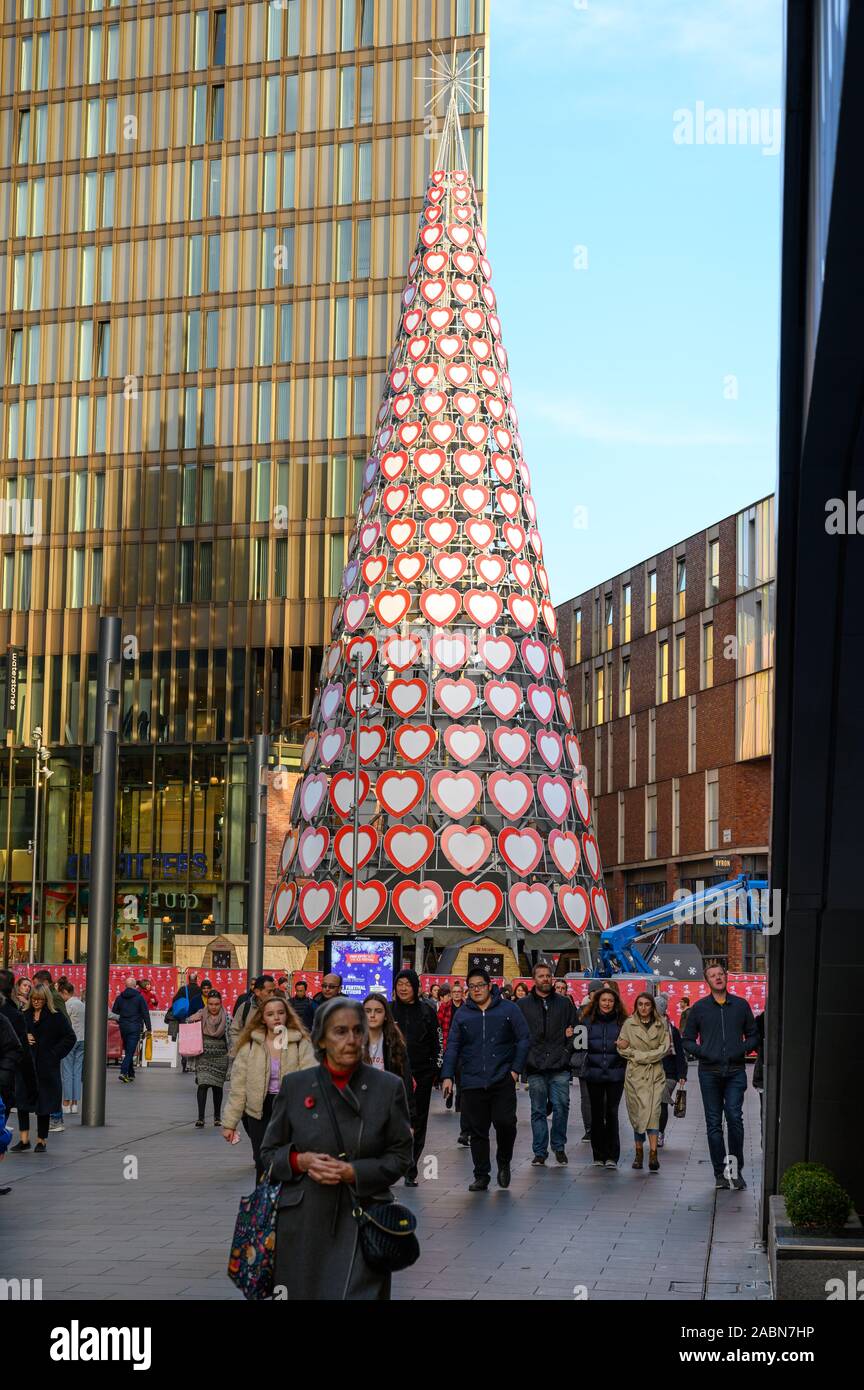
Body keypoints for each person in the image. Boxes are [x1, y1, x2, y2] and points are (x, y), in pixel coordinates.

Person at [259, 996, 413, 1301]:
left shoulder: (387, 1087)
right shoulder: (296, 1086)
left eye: (358, 1031)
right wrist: (299, 1160)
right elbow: (268, 1154)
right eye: (340, 1031)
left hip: (363, 1220)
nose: (352, 1040)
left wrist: (354, 1171)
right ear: (321, 1039)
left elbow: (401, 1156)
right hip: (303, 1223)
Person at [441, 966, 530, 1191]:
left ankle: (504, 1161)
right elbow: (452, 1045)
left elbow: (524, 1039)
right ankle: (481, 1174)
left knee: (505, 1123)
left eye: (480, 985)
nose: (476, 990)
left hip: (502, 1078)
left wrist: (515, 1070)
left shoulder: (508, 1009)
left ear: (490, 986)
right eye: (472, 987)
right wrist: (447, 1076)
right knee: (477, 1130)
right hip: (471, 1080)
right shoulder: (463, 1014)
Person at [682, 961, 758, 1191]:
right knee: (714, 1124)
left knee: (735, 1118)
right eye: (712, 975)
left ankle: (735, 1171)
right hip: (709, 1073)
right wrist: (705, 1052)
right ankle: (720, 1174)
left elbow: (754, 1036)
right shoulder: (700, 1008)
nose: (717, 978)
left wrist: (740, 1049)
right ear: (707, 981)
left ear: (726, 977)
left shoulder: (740, 1005)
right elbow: (686, 1040)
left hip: (735, 1071)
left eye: (720, 974)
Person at [223, 994, 315, 1181]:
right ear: (263, 1018)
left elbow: (311, 1080)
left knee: (287, 1160)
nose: (276, 1017)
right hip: (259, 1110)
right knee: (262, 1161)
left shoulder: (300, 1043)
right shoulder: (250, 1045)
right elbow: (238, 1087)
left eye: (281, 1013)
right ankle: (262, 1206)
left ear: (287, 1016)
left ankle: (286, 1204)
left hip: (290, 1110)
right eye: (271, 1014)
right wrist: (229, 1123)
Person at [518, 962, 578, 1166]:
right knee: (538, 1109)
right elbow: (518, 1035)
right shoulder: (523, 1005)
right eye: (541, 976)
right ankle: (540, 1151)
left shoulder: (564, 1003)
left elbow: (575, 1030)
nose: (545, 979)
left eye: (548, 975)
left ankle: (559, 1146)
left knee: (561, 1106)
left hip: (559, 1065)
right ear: (534, 979)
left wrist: (566, 1052)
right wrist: (525, 1059)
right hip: (535, 1065)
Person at [391, 969, 442, 1186]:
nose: (403, 988)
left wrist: (435, 1072)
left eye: (407, 984)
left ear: (415, 987)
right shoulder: (388, 1010)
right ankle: (391, 1164)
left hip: (421, 1075)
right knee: (391, 1119)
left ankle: (411, 1168)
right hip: (391, 1074)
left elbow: (436, 1043)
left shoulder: (427, 1011)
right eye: (399, 984)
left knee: (417, 1120)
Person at [12, 985, 75, 1153]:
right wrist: (24, 1038)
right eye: (34, 998)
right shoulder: (23, 1016)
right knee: (22, 1102)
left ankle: (42, 1140)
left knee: (44, 1104)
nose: (36, 1002)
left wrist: (54, 1054)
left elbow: (70, 1038)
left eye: (40, 999)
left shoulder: (56, 1017)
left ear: (46, 999)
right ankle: (23, 1139)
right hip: (26, 1065)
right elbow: (12, 1037)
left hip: (46, 1067)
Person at [616, 993, 671, 1173]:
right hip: (635, 1076)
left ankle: (653, 1154)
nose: (644, 1008)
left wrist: (638, 1055)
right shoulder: (628, 1024)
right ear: (636, 1006)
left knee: (654, 1113)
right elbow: (620, 1047)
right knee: (638, 1115)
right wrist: (636, 1054)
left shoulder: (661, 1024)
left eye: (647, 1004)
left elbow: (664, 1048)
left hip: (655, 1074)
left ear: (652, 1006)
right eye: (640, 1004)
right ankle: (639, 1153)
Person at [582, 985, 628, 1169]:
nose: (607, 1004)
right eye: (604, 1000)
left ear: (615, 1003)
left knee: (611, 1112)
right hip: (593, 1073)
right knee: (596, 1113)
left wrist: (625, 1044)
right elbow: (579, 1043)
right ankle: (598, 1155)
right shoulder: (587, 1021)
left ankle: (612, 1155)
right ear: (597, 1002)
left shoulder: (623, 1022)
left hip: (615, 1073)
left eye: (610, 1000)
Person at [362, 993, 414, 1121]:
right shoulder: (353, 1042)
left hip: (387, 1109)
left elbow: (406, 1082)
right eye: (367, 1011)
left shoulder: (395, 1044)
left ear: (385, 1016)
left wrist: (409, 1119)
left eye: (378, 1011)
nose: (372, 1015)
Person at [187, 989, 230, 1127]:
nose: (213, 1007)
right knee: (203, 1084)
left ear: (221, 1003)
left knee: (218, 1087)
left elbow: (232, 1037)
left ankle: (217, 1117)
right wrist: (191, 1020)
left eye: (217, 1004)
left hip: (220, 1056)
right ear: (207, 1004)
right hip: (203, 1055)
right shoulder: (200, 1015)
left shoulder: (227, 1018)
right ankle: (200, 1118)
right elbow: (188, 1023)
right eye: (211, 1004)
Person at [438, 981, 469, 1141]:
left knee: (460, 1075)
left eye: (459, 992)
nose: (456, 994)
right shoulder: (445, 1007)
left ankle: (458, 1100)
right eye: (454, 992)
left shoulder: (466, 1008)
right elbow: (440, 1024)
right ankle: (449, 1095)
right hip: (448, 1044)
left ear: (462, 994)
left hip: (462, 1048)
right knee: (448, 1073)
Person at [655, 993, 686, 1146]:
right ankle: (653, 1130)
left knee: (662, 1101)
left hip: (669, 1073)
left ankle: (660, 1132)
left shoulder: (672, 1031)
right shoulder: (645, 1029)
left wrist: (682, 1074)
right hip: (650, 1072)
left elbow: (680, 1053)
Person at [111, 975, 152, 1083]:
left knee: (128, 1049)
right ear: (135, 986)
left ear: (125, 986)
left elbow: (114, 1012)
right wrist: (149, 1027)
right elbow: (145, 1013)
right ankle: (123, 1072)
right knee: (130, 1051)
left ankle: (131, 1073)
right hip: (135, 1026)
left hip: (123, 1026)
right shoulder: (139, 997)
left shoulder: (120, 997)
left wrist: (120, 1021)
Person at [57, 980, 86, 1116]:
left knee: (67, 1072)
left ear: (64, 992)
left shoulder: (67, 1005)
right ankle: (75, 1103)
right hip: (82, 1040)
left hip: (70, 1040)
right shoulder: (82, 1004)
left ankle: (66, 1103)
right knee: (77, 1072)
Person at [229, 974, 276, 1054]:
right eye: (269, 992)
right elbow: (234, 1031)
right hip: (248, 1058)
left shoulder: (279, 1008)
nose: (272, 995)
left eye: (274, 991)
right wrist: (241, 1050)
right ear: (257, 992)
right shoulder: (245, 1008)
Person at [753, 1009, 765, 1125]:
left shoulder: (760, 1020)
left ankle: (765, 1141)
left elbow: (755, 1044)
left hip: (762, 1073)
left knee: (765, 1112)